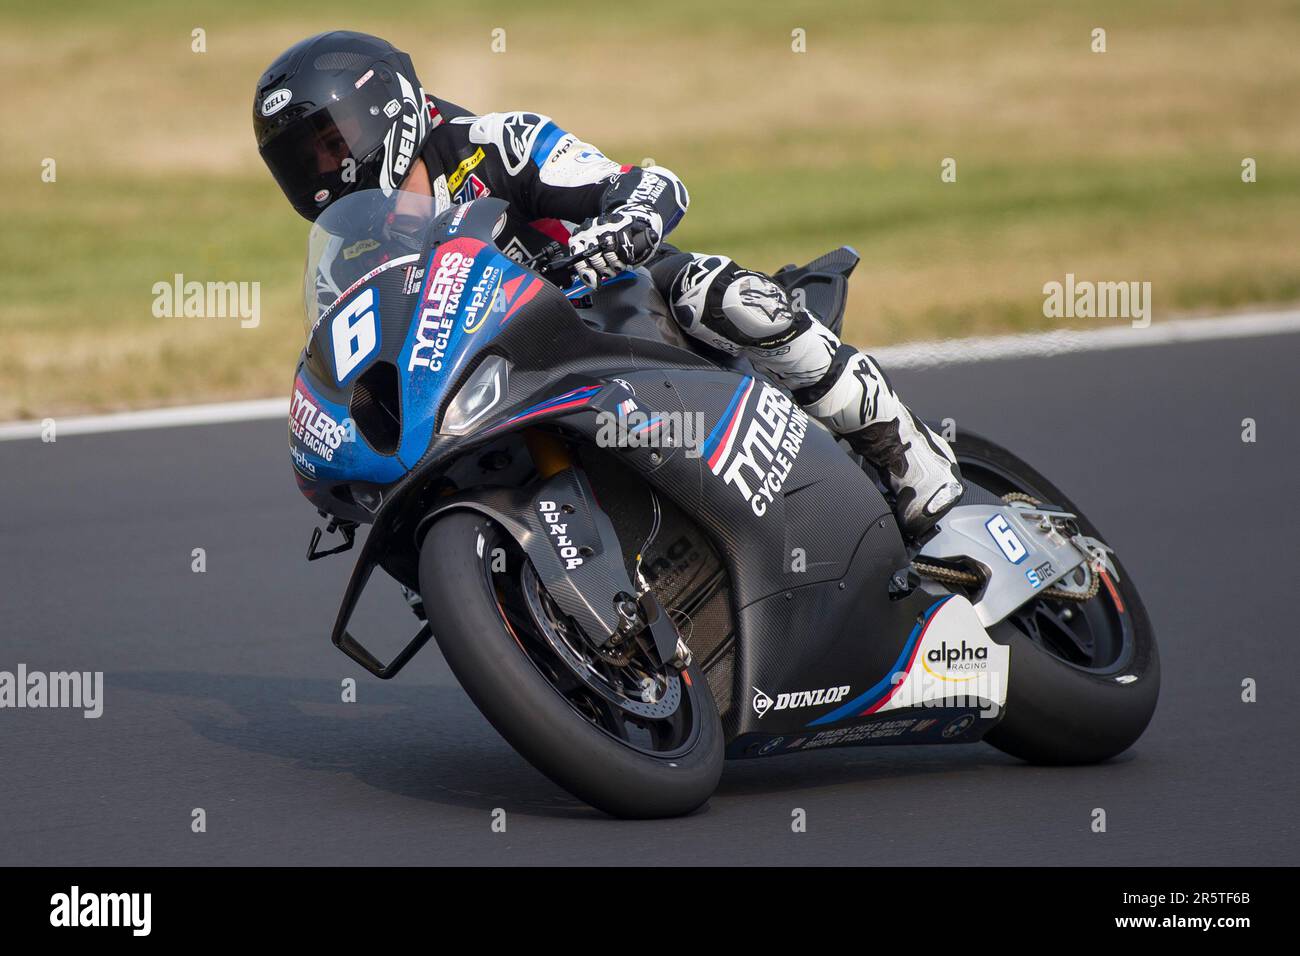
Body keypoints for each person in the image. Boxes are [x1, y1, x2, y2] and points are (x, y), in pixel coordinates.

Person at [253, 31, 963, 536]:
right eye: (300, 159)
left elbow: (649, 184)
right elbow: (350, 351)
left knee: (726, 295)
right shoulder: (347, 245)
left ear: (382, 110)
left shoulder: (492, 142)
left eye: (329, 140)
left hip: (617, 310)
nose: (322, 168)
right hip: (511, 378)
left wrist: (620, 230)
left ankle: (900, 447)